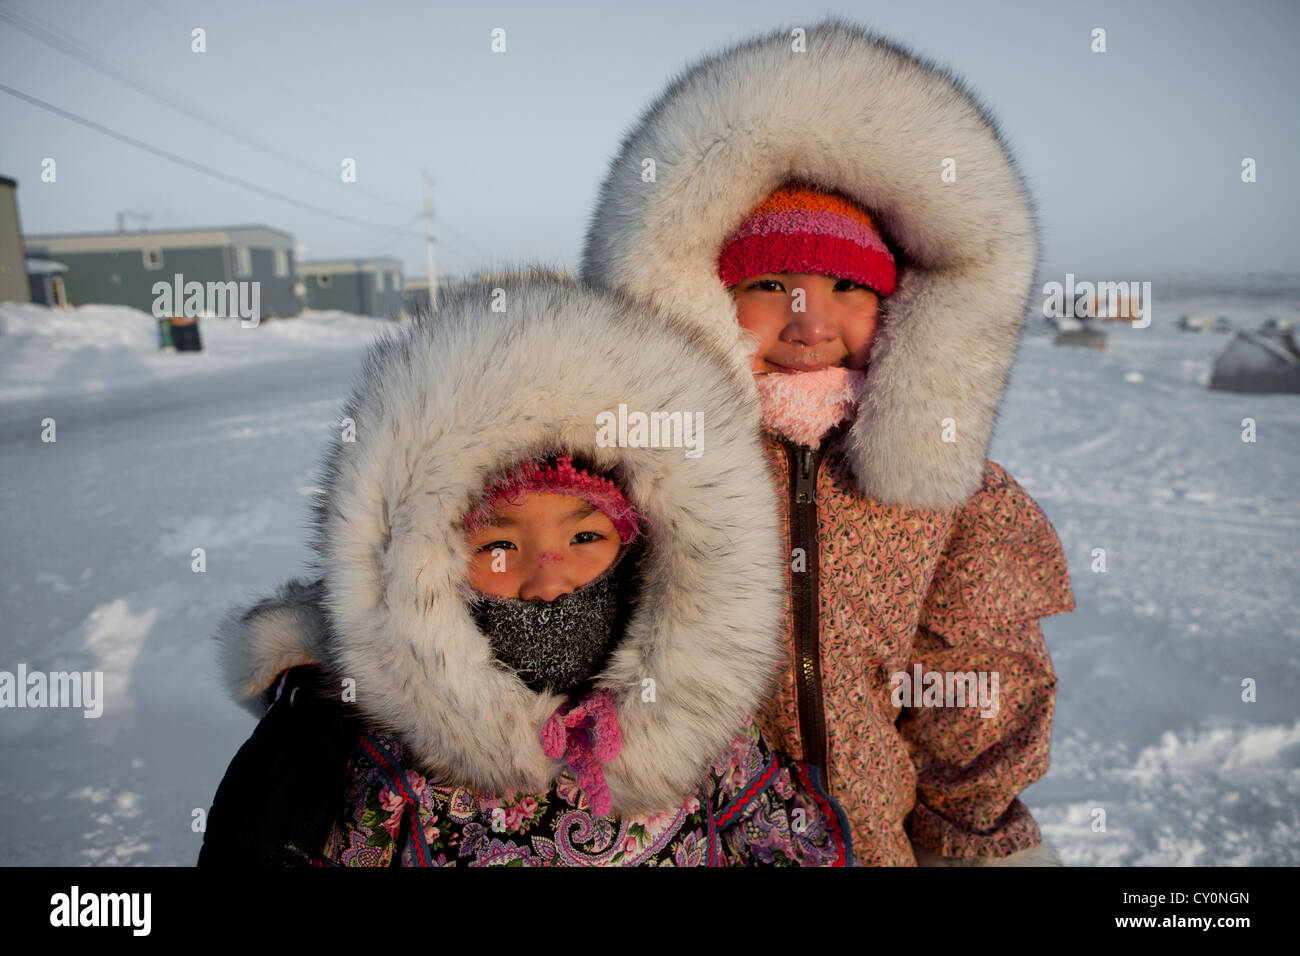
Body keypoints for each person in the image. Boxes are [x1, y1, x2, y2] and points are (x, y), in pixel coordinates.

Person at [580, 20, 1075, 865]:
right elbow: (504, 575)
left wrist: (978, 840)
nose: (809, 323)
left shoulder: (954, 497)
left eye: (847, 286)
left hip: (871, 845)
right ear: (704, 293)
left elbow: (976, 697)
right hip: (678, 843)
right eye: (771, 284)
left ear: (904, 304)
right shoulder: (635, 460)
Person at [197, 272, 852, 866]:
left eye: (587, 534)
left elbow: (791, 846)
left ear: (646, 552)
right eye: (499, 547)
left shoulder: (708, 727)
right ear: (432, 571)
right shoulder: (394, 757)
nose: (548, 579)